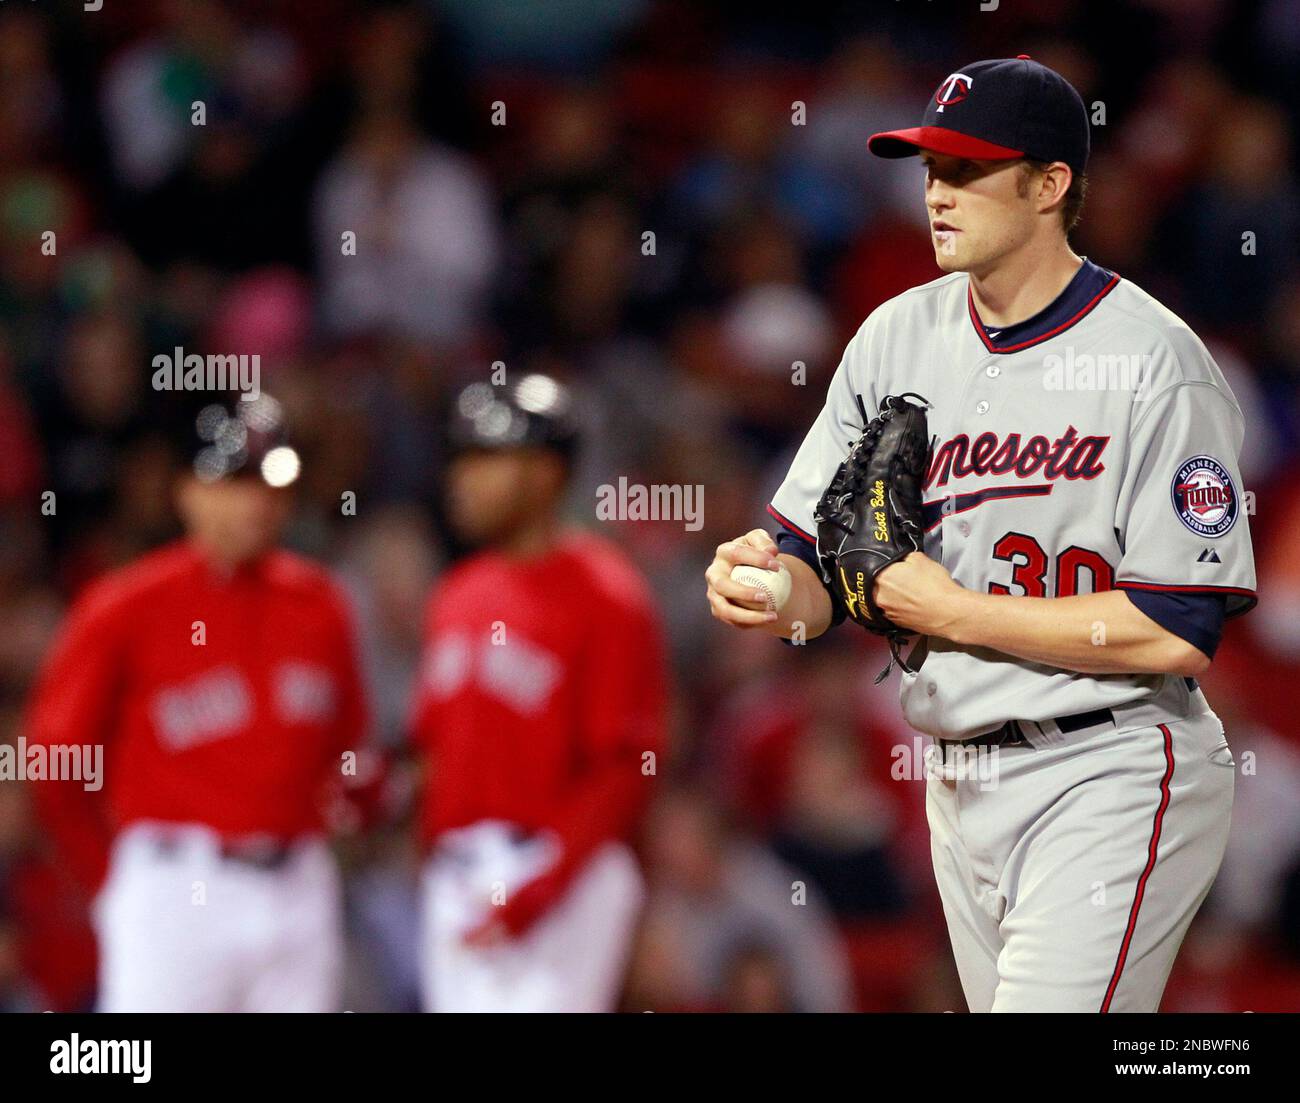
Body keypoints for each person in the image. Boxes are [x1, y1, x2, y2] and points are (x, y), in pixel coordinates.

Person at [705, 56, 1257, 1012]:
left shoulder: (1155, 360)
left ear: (1051, 186)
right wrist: (767, 590)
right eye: (929, 170)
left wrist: (957, 609)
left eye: (967, 171)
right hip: (958, 772)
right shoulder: (894, 337)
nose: (937, 195)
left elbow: (1177, 625)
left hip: (1110, 759)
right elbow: (815, 567)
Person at [27, 394, 369, 1012]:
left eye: (271, 483)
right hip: (174, 886)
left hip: (299, 883)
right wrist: (112, 878)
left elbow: (349, 750)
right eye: (235, 482)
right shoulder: (127, 606)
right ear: (185, 489)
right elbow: (54, 761)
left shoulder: (321, 605)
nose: (257, 502)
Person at [410, 373, 667, 1012]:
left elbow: (625, 766)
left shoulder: (606, 594)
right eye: (460, 459)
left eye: (486, 460)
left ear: (547, 472)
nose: (462, 479)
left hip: (558, 876)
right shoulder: (456, 593)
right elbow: (433, 749)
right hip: (456, 876)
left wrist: (543, 886)